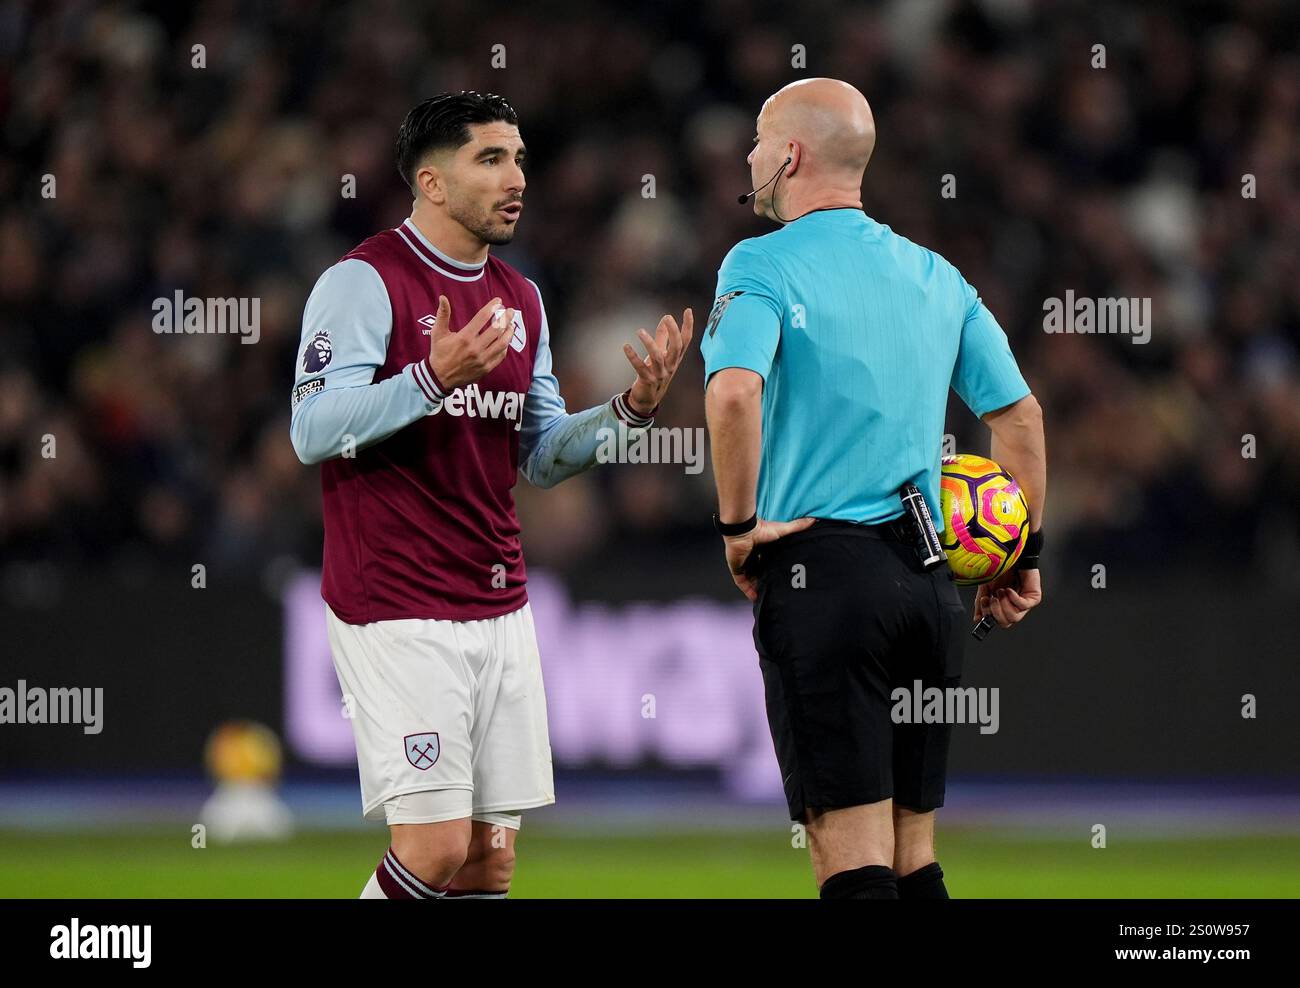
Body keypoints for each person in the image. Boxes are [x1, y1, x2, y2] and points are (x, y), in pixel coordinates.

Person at [290, 91, 692, 899]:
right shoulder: (364, 283)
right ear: (432, 183)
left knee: (488, 860)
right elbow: (312, 429)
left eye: (519, 160)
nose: (516, 179)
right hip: (398, 602)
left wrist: (629, 412)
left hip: (500, 602)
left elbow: (541, 456)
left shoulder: (523, 298)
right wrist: (432, 377)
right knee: (434, 848)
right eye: (491, 159)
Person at [702, 78, 1046, 899]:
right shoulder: (936, 274)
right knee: (912, 857)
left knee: (849, 860)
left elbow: (732, 392)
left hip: (826, 580)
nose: (748, 155)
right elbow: (1022, 419)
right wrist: (1020, 554)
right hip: (929, 591)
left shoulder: (760, 263)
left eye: (757, 139)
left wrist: (739, 526)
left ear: (789, 154)